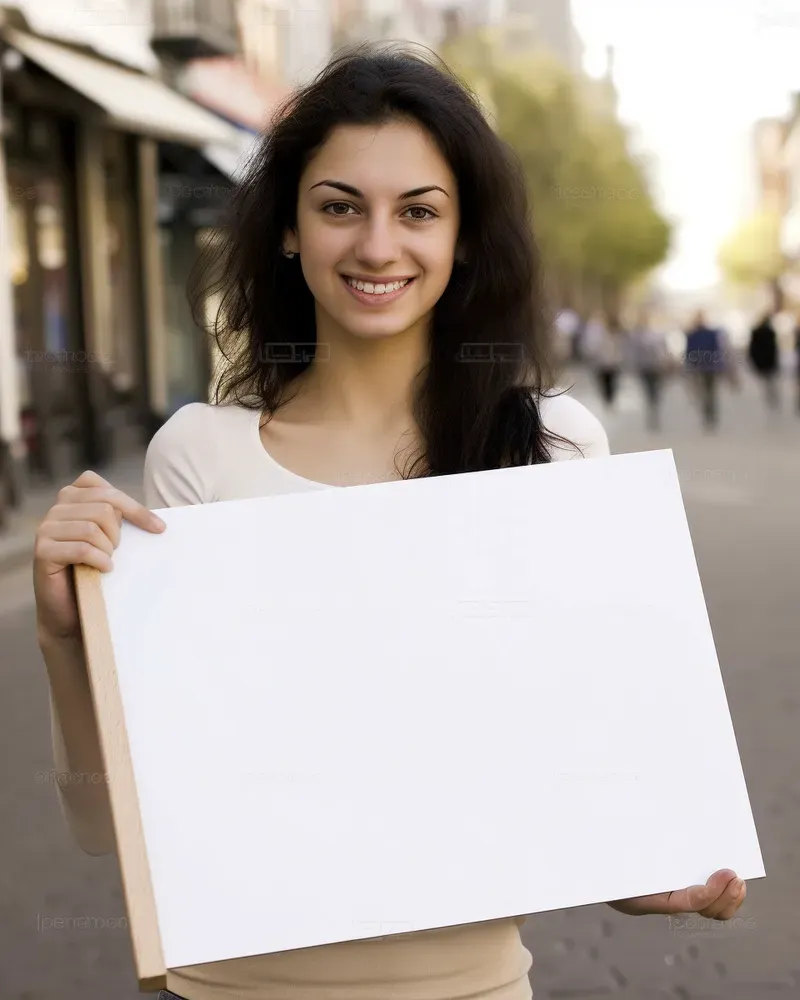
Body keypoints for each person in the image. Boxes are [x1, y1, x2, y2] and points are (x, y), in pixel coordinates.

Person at [32, 43, 747, 1000]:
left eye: (418, 211)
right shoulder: (196, 455)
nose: (377, 246)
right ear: (289, 227)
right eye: (339, 206)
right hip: (224, 985)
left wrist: (641, 867)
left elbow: (568, 771)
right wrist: (62, 632)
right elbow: (113, 825)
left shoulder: (552, 447)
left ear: (462, 236)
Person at [684, 309, 729, 430]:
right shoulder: (693, 334)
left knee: (708, 392)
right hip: (702, 367)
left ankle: (710, 414)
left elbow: (716, 350)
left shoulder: (704, 334)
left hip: (707, 367)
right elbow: (689, 352)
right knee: (706, 392)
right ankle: (709, 414)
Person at [627, 310, 671, 431]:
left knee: (656, 392)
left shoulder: (660, 333)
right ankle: (652, 411)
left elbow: (665, 350)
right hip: (644, 368)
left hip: (657, 368)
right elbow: (633, 352)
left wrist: (666, 362)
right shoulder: (637, 335)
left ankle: (654, 408)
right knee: (648, 391)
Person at [582, 311, 626, 410]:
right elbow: (591, 348)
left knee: (612, 383)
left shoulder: (615, 334)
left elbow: (620, 349)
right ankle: (607, 399)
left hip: (612, 364)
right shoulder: (595, 334)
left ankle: (610, 399)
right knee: (603, 383)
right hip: (601, 364)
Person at [747, 311, 780, 410]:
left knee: (766, 381)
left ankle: (769, 397)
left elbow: (752, 348)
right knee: (770, 381)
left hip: (762, 361)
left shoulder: (757, 331)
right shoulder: (770, 332)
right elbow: (774, 348)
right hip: (769, 361)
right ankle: (771, 397)